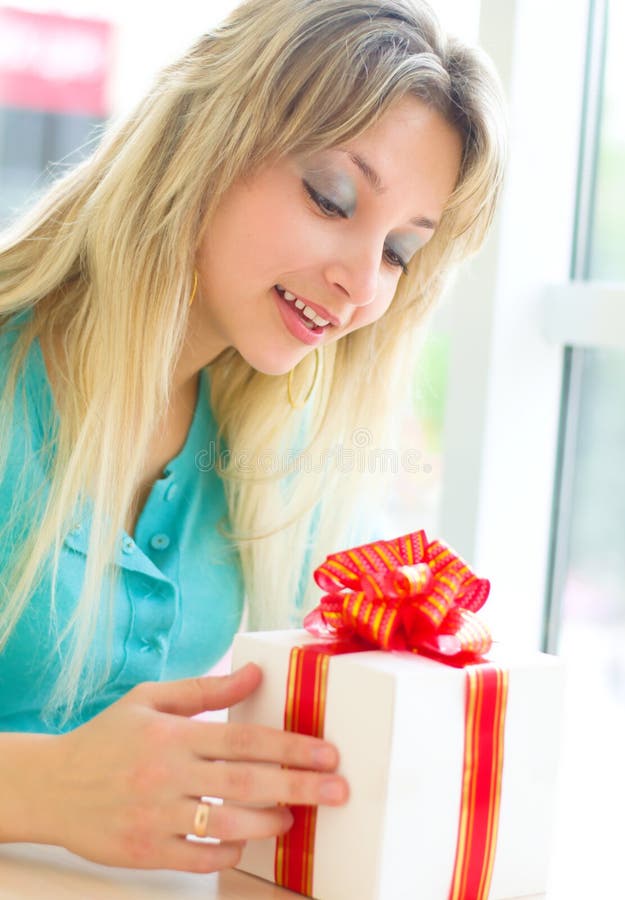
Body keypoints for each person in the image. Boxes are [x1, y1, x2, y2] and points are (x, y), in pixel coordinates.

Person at [0, 0, 505, 876]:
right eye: (330, 197)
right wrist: (43, 788)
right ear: (203, 142)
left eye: (398, 252)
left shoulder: (274, 440)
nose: (359, 285)